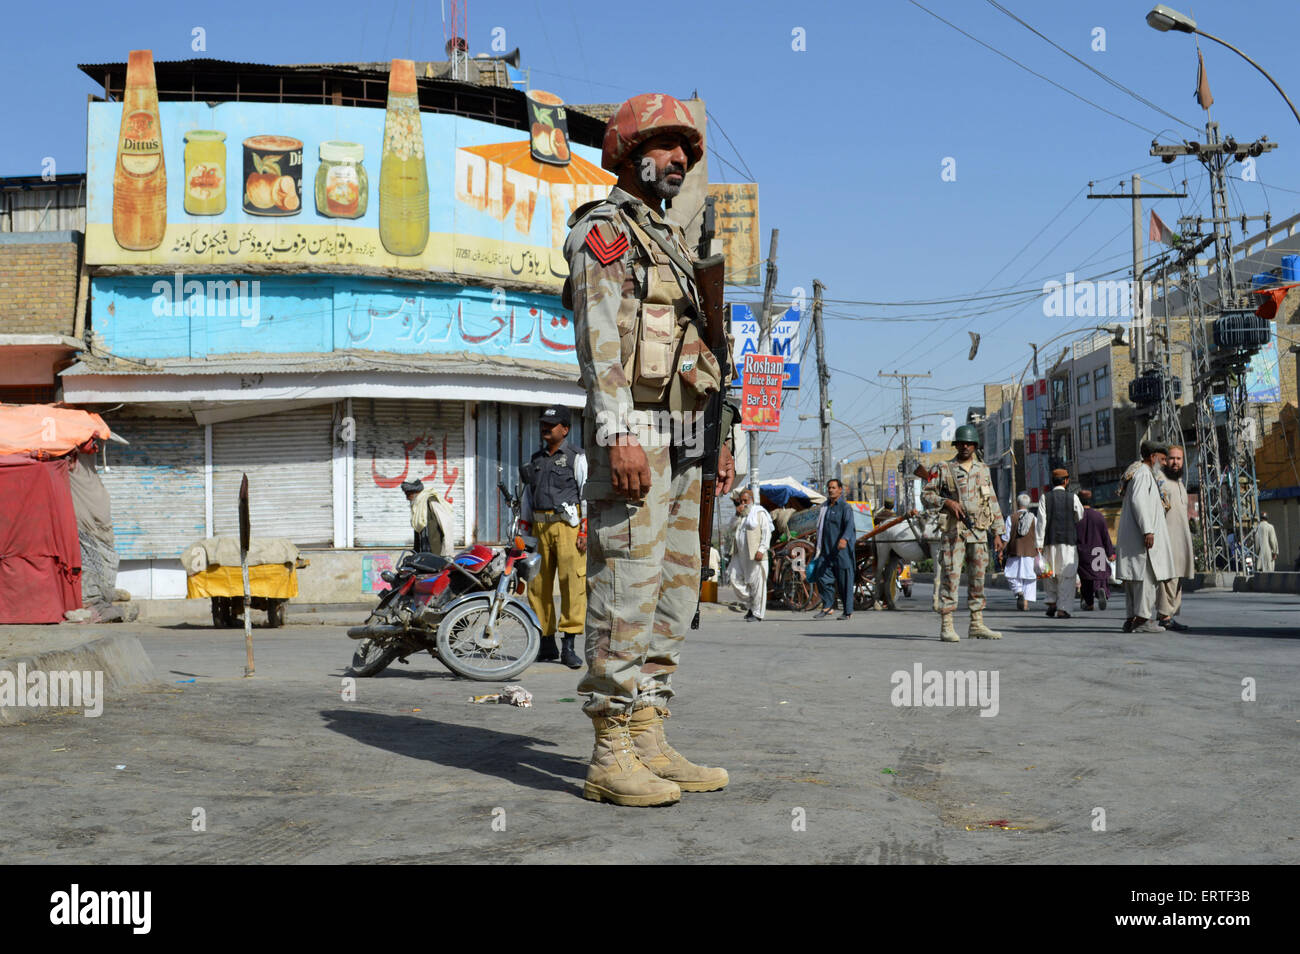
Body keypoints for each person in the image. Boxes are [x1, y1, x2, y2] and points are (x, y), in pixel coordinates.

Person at [564, 92, 736, 807]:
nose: (679, 160)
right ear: (631, 150)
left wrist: (717, 446)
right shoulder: (606, 230)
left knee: (671, 590)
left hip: (684, 438)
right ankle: (609, 752)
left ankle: (649, 735)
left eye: (687, 152)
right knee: (626, 588)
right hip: (634, 432)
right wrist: (618, 430)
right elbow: (601, 338)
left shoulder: (669, 236)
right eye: (667, 147)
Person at [921, 424, 1005, 642]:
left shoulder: (983, 470)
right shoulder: (944, 469)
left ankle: (976, 624)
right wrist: (946, 502)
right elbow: (926, 495)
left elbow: (992, 501)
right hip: (953, 532)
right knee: (951, 577)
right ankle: (947, 625)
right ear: (956, 445)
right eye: (961, 443)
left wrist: (998, 533)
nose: (965, 446)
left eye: (969, 443)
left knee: (978, 578)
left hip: (977, 531)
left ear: (975, 445)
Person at [519, 406, 587, 669]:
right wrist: (524, 535)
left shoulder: (576, 457)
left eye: (552, 424)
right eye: (543, 424)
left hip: (568, 529)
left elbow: (586, 494)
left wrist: (584, 530)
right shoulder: (535, 460)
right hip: (539, 528)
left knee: (572, 584)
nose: (546, 427)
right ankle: (546, 643)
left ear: (565, 429)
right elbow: (527, 497)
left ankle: (568, 646)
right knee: (537, 585)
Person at [1116, 440, 1176, 633]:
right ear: (1153, 457)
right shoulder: (1143, 474)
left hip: (1137, 536)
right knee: (1145, 578)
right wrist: (1147, 530)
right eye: (1163, 458)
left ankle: (1132, 618)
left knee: (1137, 579)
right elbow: (1139, 502)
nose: (1165, 463)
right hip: (1143, 537)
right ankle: (1142, 620)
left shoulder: (1141, 473)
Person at [1036, 468, 1083, 619]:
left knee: (1050, 573)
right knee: (1066, 576)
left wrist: (1039, 543)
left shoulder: (1045, 498)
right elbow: (1080, 515)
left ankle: (1051, 602)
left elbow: (1041, 522)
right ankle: (1063, 609)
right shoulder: (1073, 497)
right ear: (1066, 481)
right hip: (1068, 542)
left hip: (1049, 542)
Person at [1156, 445, 1194, 632]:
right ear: (1165, 460)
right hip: (1166, 539)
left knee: (1177, 577)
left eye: (1179, 459)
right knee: (1167, 578)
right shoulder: (1160, 480)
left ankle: (1170, 613)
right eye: (1172, 458)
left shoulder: (1179, 483)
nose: (1175, 462)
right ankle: (1165, 615)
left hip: (1181, 540)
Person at [813, 478, 856, 620]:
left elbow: (849, 525)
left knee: (844, 582)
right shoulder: (825, 507)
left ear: (840, 490)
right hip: (826, 550)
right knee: (821, 574)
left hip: (841, 552)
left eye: (833, 487)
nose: (830, 490)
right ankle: (828, 605)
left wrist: (844, 539)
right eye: (829, 488)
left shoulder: (845, 507)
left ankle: (847, 612)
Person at [728, 488, 773, 622]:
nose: (743, 503)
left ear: (751, 500)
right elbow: (731, 527)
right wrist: (737, 514)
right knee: (733, 577)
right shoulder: (741, 515)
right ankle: (751, 604)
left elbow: (766, 532)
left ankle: (757, 613)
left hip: (755, 555)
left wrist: (761, 550)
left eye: (745, 500)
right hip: (740, 555)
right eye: (741, 501)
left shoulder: (759, 513)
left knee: (757, 584)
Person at [1075, 489, 1115, 611]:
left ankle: (1089, 603)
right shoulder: (1099, 516)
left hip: (1083, 552)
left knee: (1086, 579)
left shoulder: (1076, 516)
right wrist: (1110, 553)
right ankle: (1099, 590)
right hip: (1098, 551)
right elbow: (1105, 536)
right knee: (1099, 576)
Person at [1001, 493, 1040, 611]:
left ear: (1017, 503)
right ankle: (1026, 603)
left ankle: (1019, 592)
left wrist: (1001, 550)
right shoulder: (1034, 518)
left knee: (1011, 574)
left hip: (1014, 551)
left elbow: (1006, 537)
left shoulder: (1011, 518)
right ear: (1028, 505)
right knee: (1029, 578)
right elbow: (1038, 537)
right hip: (1030, 553)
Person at [402, 479, 454, 557]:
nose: (407, 498)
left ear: (414, 493)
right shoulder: (417, 506)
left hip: (436, 553)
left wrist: (447, 553)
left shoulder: (431, 501)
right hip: (423, 553)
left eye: (408, 495)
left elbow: (446, 525)